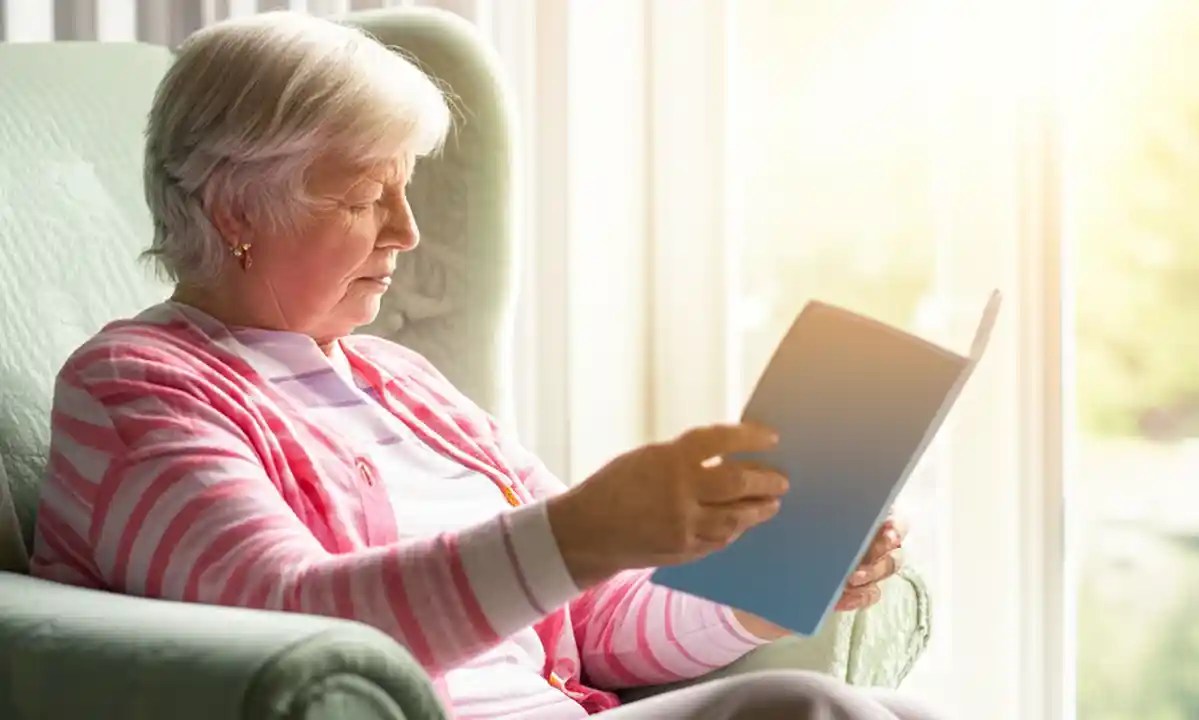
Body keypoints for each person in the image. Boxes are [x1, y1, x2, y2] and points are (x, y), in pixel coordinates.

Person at [30, 12, 941, 720]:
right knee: (804, 711)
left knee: (893, 710)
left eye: (405, 186)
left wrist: (763, 592)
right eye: (362, 195)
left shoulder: (403, 383)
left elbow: (594, 628)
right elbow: (294, 622)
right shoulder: (135, 386)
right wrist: (584, 532)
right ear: (236, 209)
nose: (406, 230)